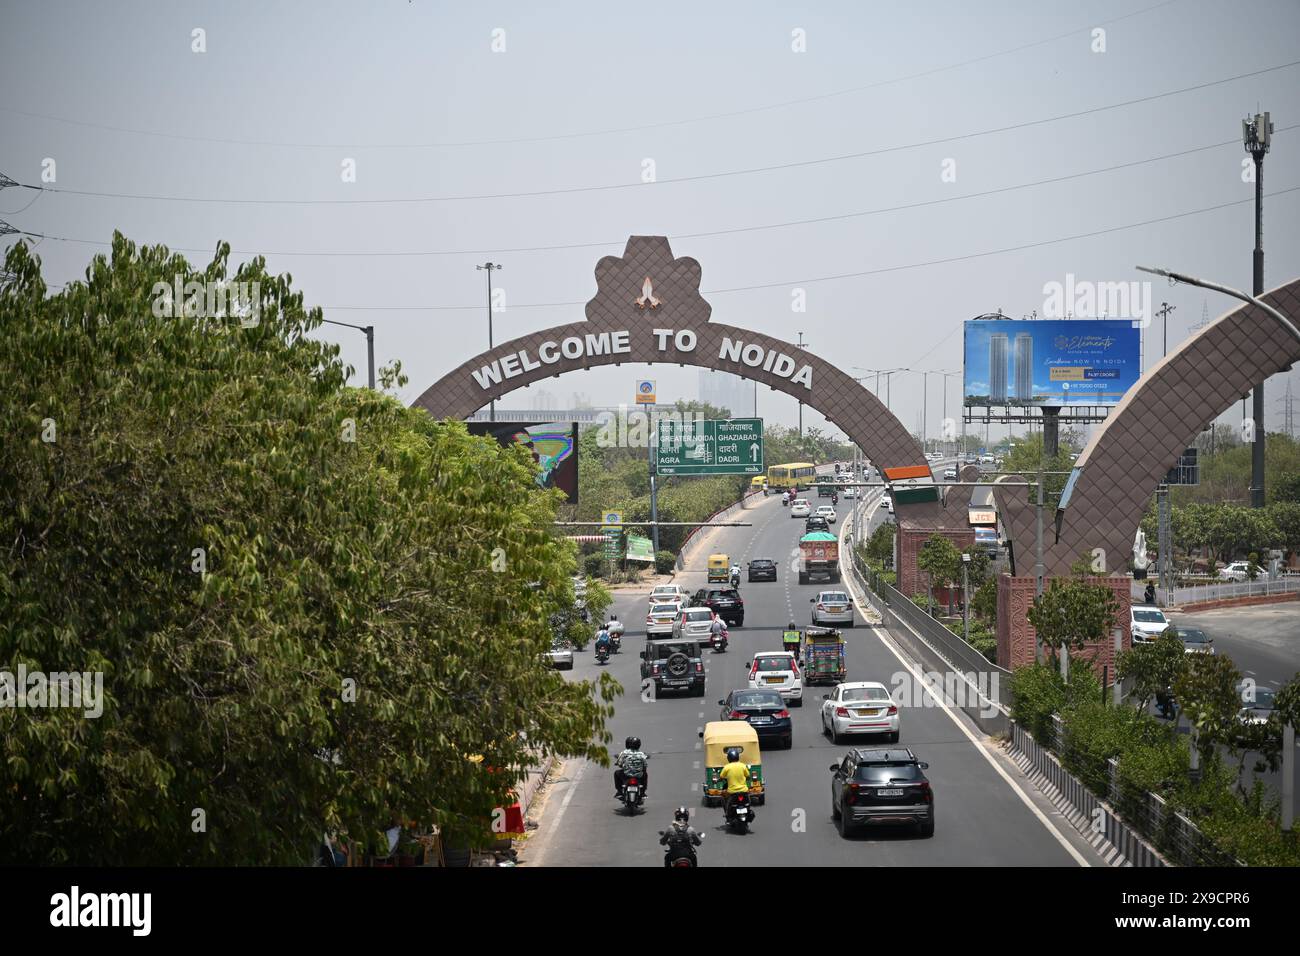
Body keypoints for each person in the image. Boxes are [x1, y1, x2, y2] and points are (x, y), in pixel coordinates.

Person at [718, 747, 751, 817]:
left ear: (729, 758)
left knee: (722, 796)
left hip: (732, 792)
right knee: (748, 800)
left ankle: (727, 813)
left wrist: (721, 780)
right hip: (744, 790)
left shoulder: (727, 767)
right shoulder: (743, 766)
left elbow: (721, 777)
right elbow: (748, 776)